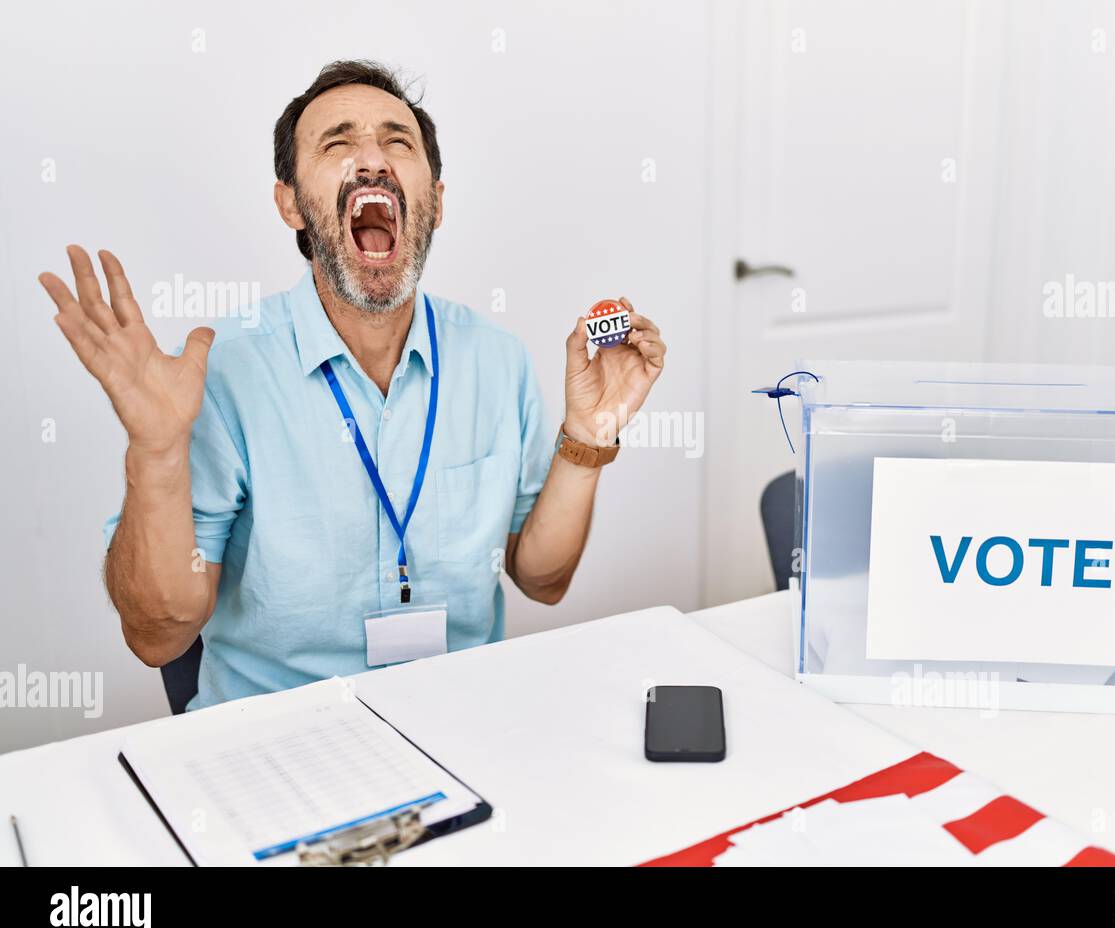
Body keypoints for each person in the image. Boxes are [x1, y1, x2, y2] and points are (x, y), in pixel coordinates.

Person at [37, 60, 666, 710]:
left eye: (398, 141)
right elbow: (158, 637)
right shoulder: (220, 374)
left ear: (438, 202)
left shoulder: (495, 360)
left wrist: (590, 438)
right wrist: (157, 451)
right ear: (290, 203)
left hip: (465, 726)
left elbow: (543, 579)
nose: (371, 160)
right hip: (276, 742)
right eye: (337, 143)